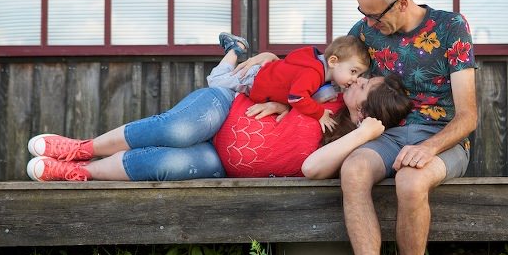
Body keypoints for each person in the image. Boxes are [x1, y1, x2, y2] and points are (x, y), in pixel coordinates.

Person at [342, 0, 478, 255]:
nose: (367, 23)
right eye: (362, 14)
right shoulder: (367, 31)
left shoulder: (451, 27)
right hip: (388, 135)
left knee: (411, 179)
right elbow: (331, 63)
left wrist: (428, 148)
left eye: (374, 15)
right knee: (353, 171)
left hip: (443, 138)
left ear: (402, 3)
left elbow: (468, 116)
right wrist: (270, 64)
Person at [25, 68, 412, 183]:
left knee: (164, 165)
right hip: (226, 108)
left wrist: (363, 133)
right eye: (361, 78)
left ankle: (79, 173)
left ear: (368, 113)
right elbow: (287, 69)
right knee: (176, 130)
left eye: (364, 87)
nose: (357, 81)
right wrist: (279, 97)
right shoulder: (329, 92)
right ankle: (82, 147)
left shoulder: (353, 142)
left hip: (222, 161)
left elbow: (312, 168)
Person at [207, 33, 370, 132]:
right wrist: (319, 114)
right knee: (215, 81)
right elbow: (297, 98)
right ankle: (235, 49)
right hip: (254, 78)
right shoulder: (313, 73)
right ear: (333, 61)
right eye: (353, 71)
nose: (355, 79)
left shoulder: (318, 67)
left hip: (264, 80)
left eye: (359, 74)